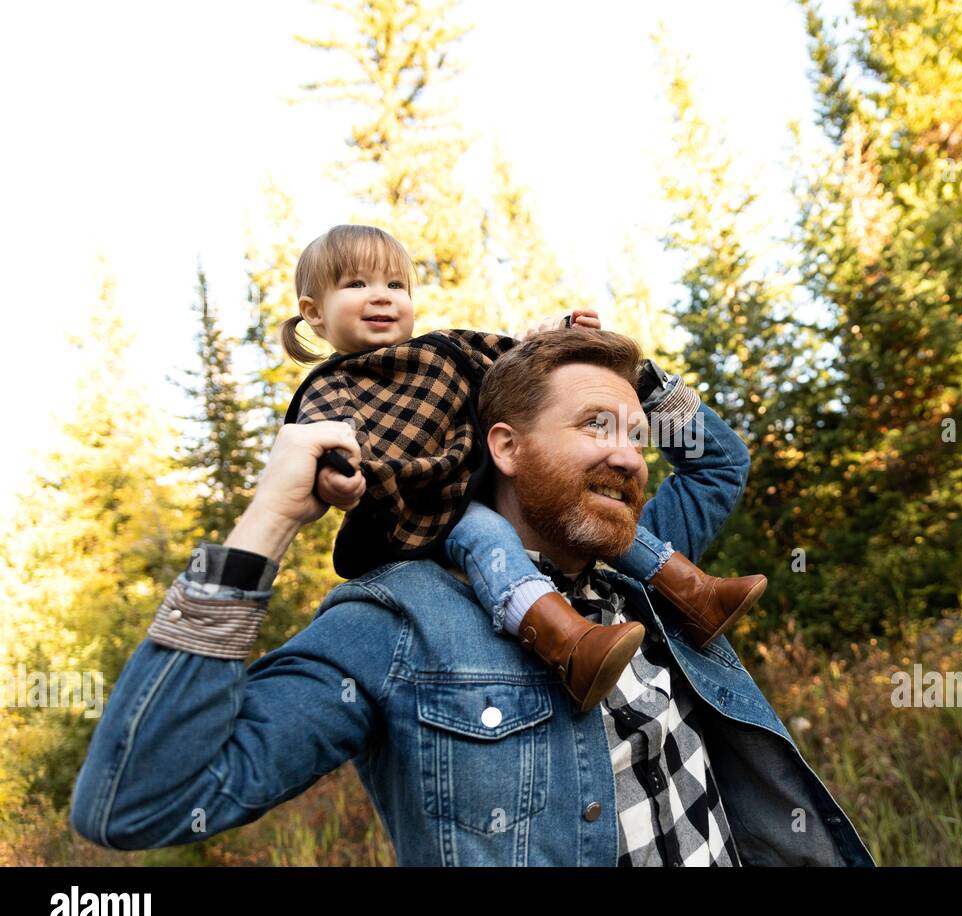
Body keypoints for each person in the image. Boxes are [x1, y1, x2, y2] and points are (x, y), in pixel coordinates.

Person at [70, 326, 876, 866]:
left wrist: (639, 378)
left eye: (637, 437)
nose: (631, 458)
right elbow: (140, 802)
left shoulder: (647, 575)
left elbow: (718, 462)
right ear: (506, 447)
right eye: (597, 425)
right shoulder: (396, 626)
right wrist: (266, 523)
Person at [280, 224, 767, 710]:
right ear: (313, 313)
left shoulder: (441, 351)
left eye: (395, 285)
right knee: (486, 534)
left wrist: (617, 370)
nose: (381, 298)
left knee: (619, 520)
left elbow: (521, 358)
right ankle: (565, 642)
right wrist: (333, 479)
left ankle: (695, 594)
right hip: (434, 513)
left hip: (479, 486)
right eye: (356, 285)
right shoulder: (335, 387)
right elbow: (327, 442)